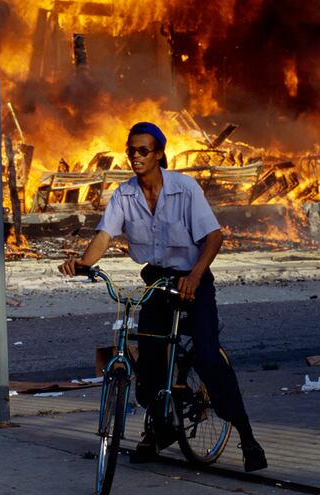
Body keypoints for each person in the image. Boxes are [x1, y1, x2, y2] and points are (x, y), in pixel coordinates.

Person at [59, 121, 267, 472]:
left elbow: (214, 238)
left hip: (194, 277)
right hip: (157, 280)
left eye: (143, 151)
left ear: (158, 155)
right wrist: (81, 263)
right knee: (150, 360)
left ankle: (247, 437)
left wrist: (195, 277)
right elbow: (104, 236)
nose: (135, 157)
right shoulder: (124, 194)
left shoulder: (185, 189)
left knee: (207, 354)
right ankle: (159, 428)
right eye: (131, 151)